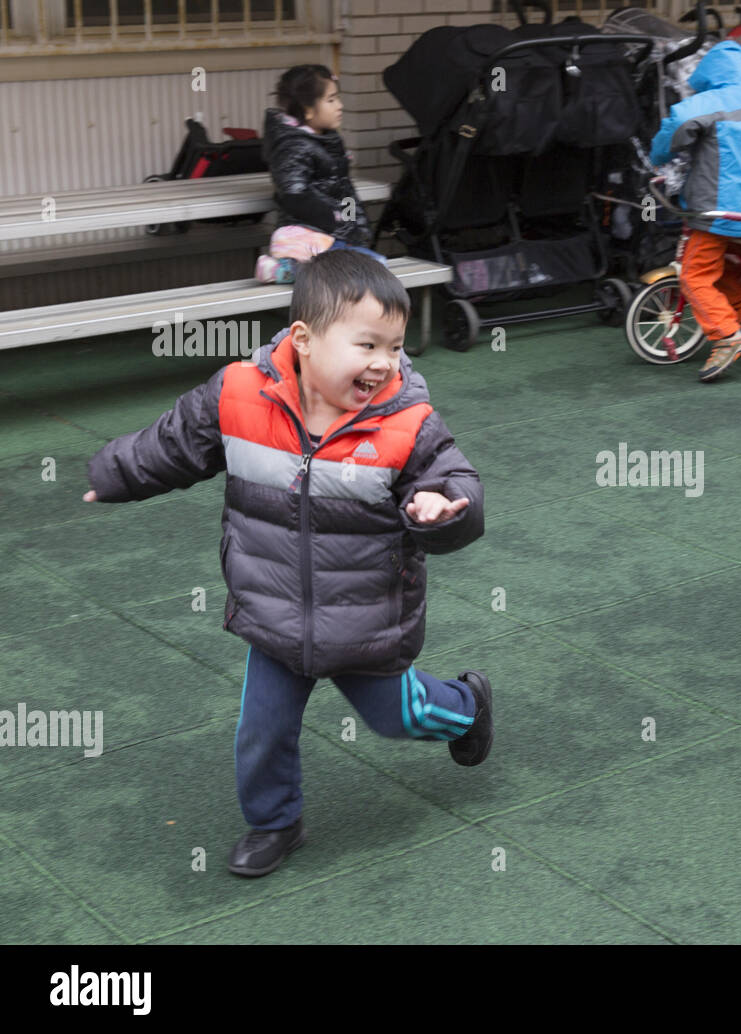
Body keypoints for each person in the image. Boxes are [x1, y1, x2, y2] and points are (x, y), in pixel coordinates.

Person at [83, 250, 491, 875]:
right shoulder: (240, 394)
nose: (384, 363)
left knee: (399, 716)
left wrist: (445, 507)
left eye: (394, 346)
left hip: (365, 617)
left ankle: (466, 706)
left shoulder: (407, 422)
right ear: (303, 339)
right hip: (273, 610)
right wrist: (114, 473)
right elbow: (174, 443)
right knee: (262, 730)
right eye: (366, 345)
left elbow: (452, 479)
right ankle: (276, 822)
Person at [649, 40, 741, 383]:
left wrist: (658, 157)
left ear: (709, 72)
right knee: (723, 270)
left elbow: (674, 129)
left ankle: (726, 335)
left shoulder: (706, 103)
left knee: (693, 275)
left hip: (715, 213)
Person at [255, 65, 384, 285]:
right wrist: (337, 219)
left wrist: (356, 227)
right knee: (372, 269)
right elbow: (295, 195)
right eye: (331, 100)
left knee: (375, 266)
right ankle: (287, 267)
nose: (340, 106)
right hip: (308, 235)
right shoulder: (292, 146)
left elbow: (345, 191)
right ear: (308, 110)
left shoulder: (328, 140)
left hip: (333, 234)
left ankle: (298, 267)